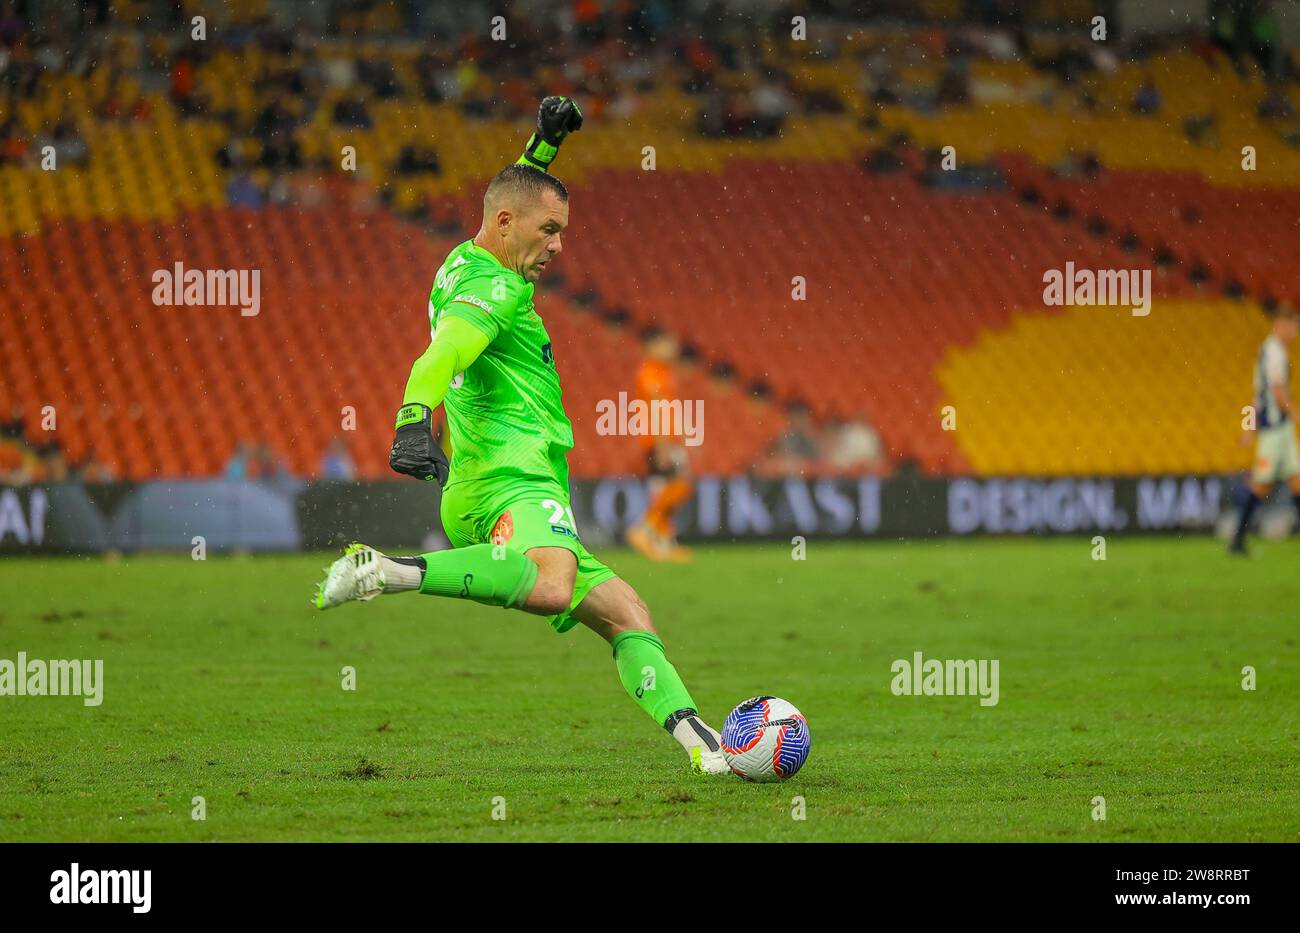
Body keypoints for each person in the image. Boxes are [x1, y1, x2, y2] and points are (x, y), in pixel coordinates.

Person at [314, 98, 729, 776]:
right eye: (551, 229)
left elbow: (512, 189)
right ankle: (388, 571)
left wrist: (542, 144)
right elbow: (440, 354)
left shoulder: (470, 258)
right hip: (510, 475)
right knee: (551, 583)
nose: (561, 245)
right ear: (507, 225)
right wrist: (413, 416)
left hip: (499, 478)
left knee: (627, 611)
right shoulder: (495, 292)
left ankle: (701, 746)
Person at [1230, 304, 1300, 554]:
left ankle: (1237, 540)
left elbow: (1257, 396)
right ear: (1281, 325)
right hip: (1275, 430)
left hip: (1281, 429)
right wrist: (1295, 414)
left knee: (1297, 481)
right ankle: (1237, 540)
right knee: (1261, 485)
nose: (1295, 332)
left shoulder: (1269, 351)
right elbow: (1277, 392)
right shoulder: (1274, 353)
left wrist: (1249, 428)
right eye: (1293, 327)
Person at [626, 328, 693, 562]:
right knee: (681, 486)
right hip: (658, 440)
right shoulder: (650, 373)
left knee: (665, 492)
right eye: (666, 344)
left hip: (667, 439)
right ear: (652, 348)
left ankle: (664, 544)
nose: (672, 349)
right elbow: (658, 410)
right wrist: (663, 445)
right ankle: (644, 529)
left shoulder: (664, 372)